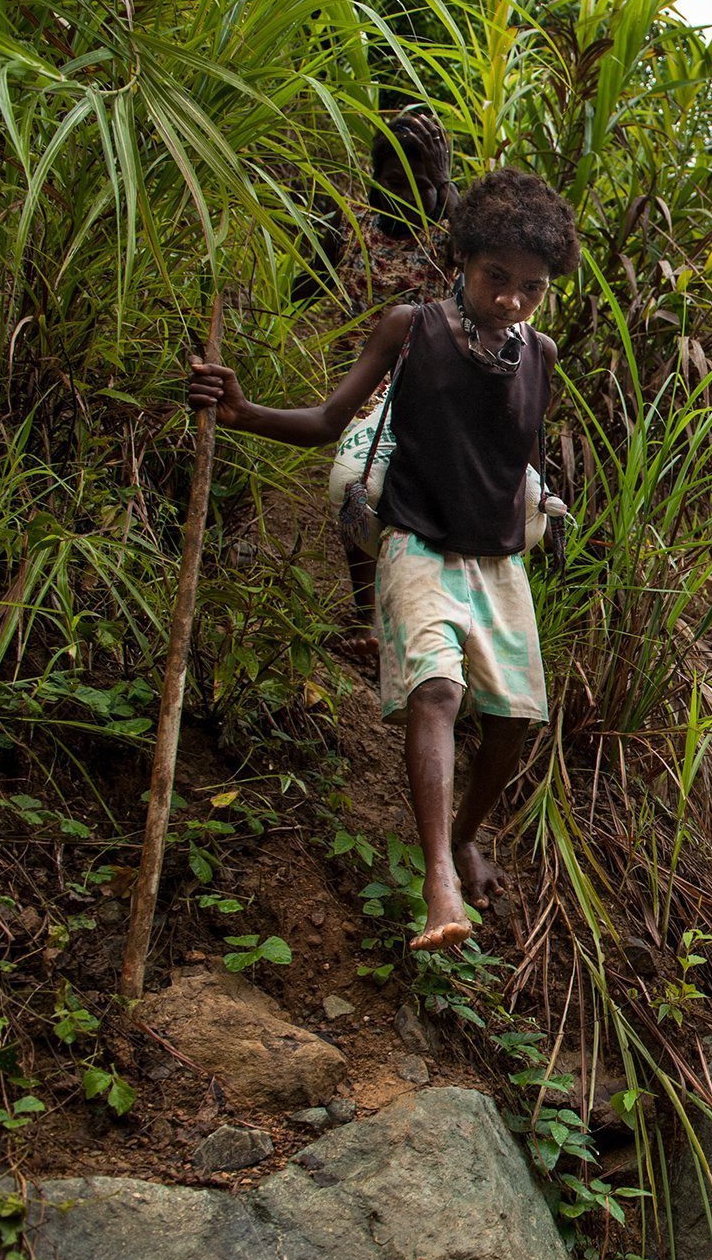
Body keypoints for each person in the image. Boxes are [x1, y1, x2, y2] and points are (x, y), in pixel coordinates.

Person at [189, 168, 581, 952]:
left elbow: (518, 460)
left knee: (515, 723)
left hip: (497, 562)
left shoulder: (537, 355)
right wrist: (243, 412)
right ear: (463, 261)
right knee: (436, 690)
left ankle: (466, 835)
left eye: (529, 288)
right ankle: (439, 880)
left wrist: (547, 512)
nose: (509, 300)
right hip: (417, 540)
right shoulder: (413, 327)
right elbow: (330, 419)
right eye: (494, 278)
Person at [305, 111, 461, 664]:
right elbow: (308, 284)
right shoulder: (353, 225)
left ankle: (424, 626)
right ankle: (363, 617)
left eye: (417, 184)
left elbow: (476, 254)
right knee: (356, 490)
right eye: (392, 183)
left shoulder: (450, 237)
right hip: (360, 388)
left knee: (417, 509)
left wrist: (444, 185)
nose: (403, 196)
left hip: (433, 394)